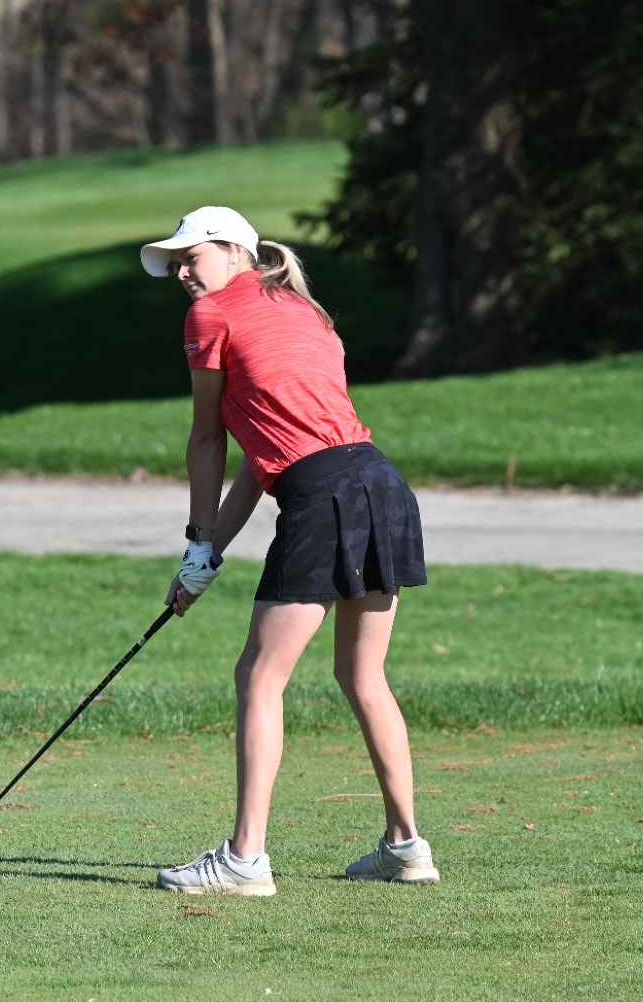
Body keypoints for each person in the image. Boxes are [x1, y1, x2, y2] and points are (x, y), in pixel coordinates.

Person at [140, 205, 440, 897]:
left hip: (326, 496)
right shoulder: (304, 311)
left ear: (236, 251)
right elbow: (261, 461)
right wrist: (207, 557)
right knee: (363, 678)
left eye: (194, 255)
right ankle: (406, 846)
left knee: (259, 677)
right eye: (176, 262)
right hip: (379, 483)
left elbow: (209, 442)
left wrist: (196, 539)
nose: (184, 271)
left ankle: (245, 860)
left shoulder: (210, 318)